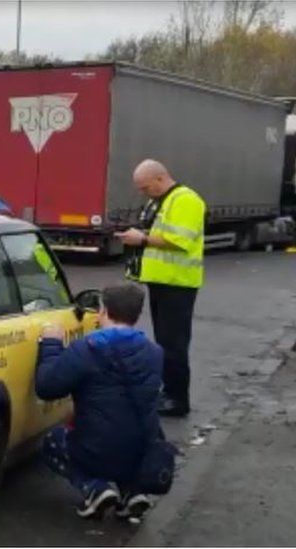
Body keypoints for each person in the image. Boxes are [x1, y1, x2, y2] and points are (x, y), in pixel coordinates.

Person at [36, 283, 164, 521]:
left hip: (96, 449)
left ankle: (94, 488)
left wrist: (51, 345)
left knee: (53, 441)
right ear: (137, 315)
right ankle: (132, 491)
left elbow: (47, 387)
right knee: (126, 432)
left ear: (103, 311)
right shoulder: (154, 352)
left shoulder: (89, 349)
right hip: (143, 450)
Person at [116, 159, 205, 418]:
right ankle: (168, 393)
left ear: (160, 178)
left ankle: (177, 400)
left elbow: (181, 240)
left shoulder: (186, 200)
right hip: (162, 282)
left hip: (177, 283)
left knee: (173, 344)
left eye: (145, 187)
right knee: (165, 342)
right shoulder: (160, 201)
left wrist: (142, 238)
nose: (143, 192)